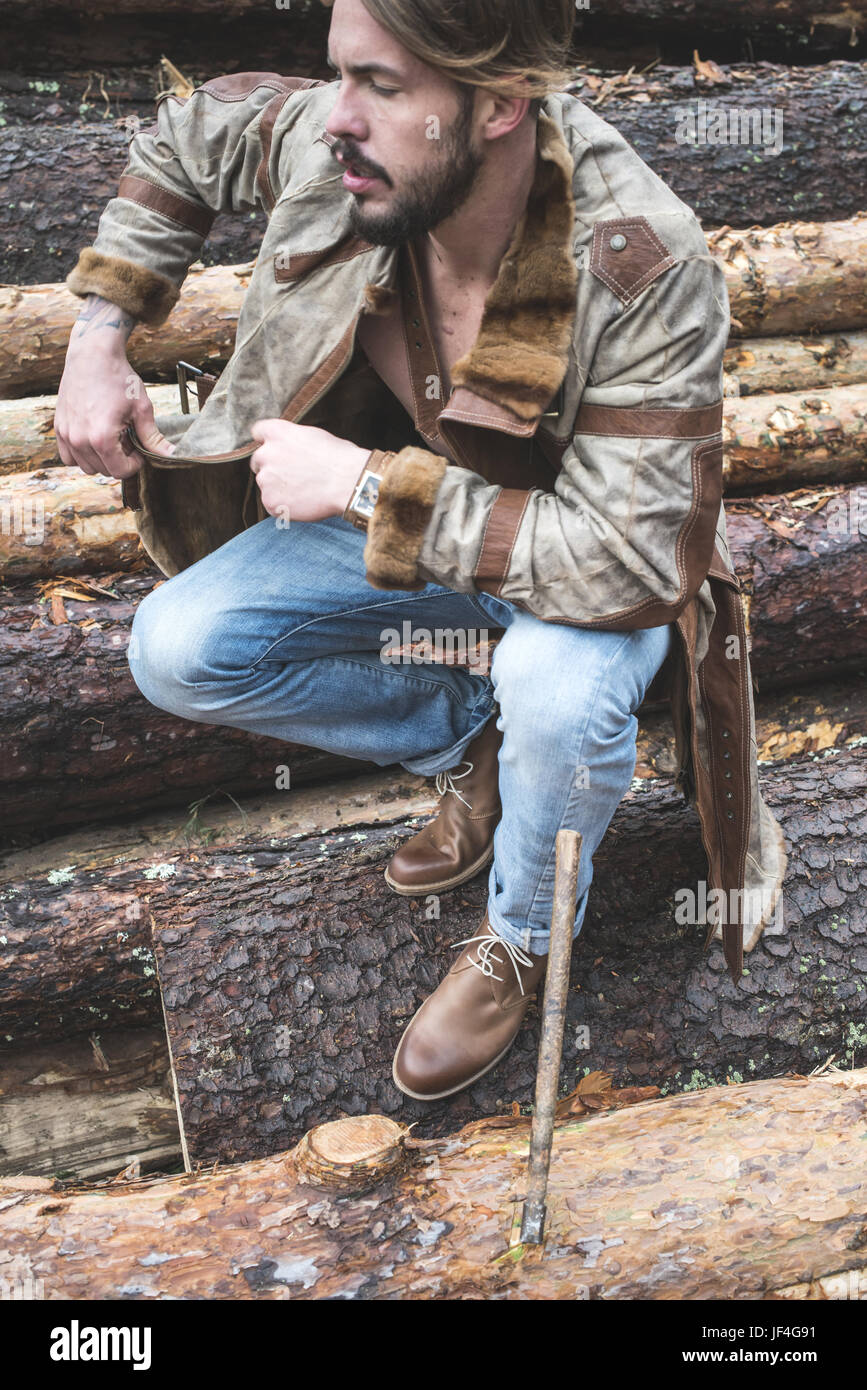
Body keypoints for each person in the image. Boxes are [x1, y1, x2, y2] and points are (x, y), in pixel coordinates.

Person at [55, 0, 786, 1102]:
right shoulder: (343, 141)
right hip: (424, 530)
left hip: (581, 575)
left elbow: (633, 565)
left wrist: (357, 482)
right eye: (341, 75)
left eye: (384, 87)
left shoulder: (640, 258)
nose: (338, 117)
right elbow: (185, 134)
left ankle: (525, 938)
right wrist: (101, 330)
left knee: (550, 687)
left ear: (497, 106)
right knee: (178, 645)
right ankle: (465, 750)